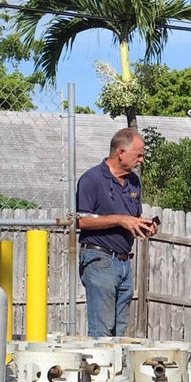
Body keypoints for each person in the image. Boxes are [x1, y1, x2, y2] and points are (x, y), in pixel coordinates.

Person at [76, 127, 158, 337]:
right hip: (99, 258)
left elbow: (133, 217)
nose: (141, 160)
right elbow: (81, 221)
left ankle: (114, 369)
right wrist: (121, 220)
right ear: (121, 152)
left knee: (119, 333)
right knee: (101, 333)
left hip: (124, 263)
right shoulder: (91, 179)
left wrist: (143, 225)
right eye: (138, 155)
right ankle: (99, 369)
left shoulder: (133, 182)